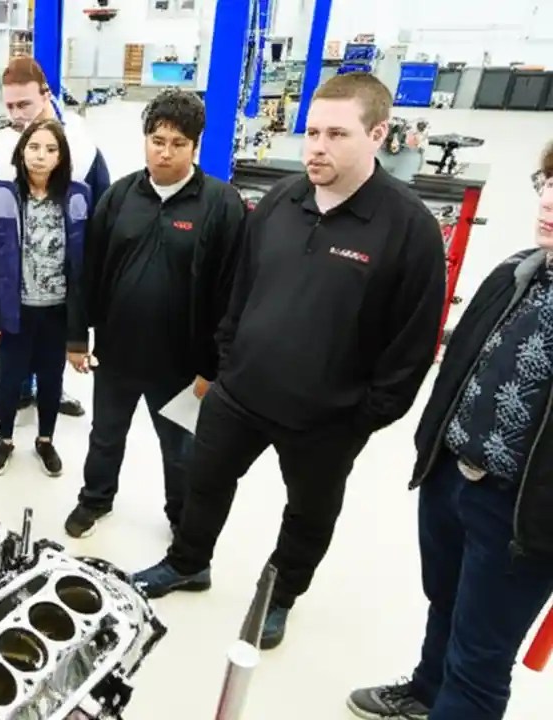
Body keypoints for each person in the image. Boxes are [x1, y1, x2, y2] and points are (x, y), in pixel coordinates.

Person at [132, 72, 447, 650]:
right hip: (241, 393)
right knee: (203, 482)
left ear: (377, 135)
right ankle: (187, 563)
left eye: (336, 134)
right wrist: (228, 361)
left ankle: (278, 597)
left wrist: (362, 417)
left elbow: (412, 344)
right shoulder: (282, 199)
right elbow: (241, 288)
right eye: (311, 132)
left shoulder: (410, 230)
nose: (316, 148)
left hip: (328, 418)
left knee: (308, 515)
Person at [346, 142, 553, 720]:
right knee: (446, 604)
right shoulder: (517, 270)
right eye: (549, 179)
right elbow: (461, 362)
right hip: (451, 478)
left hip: (521, 516)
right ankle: (424, 691)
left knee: (481, 658)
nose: (549, 199)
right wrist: (431, 452)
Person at [64, 89, 246, 539]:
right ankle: (95, 500)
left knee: (181, 450)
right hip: (117, 354)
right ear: (145, 138)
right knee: (105, 437)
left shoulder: (222, 206)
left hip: (183, 366)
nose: (165, 152)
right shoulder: (120, 196)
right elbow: (88, 269)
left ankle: (181, 518)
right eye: (157, 139)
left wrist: (212, 367)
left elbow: (232, 292)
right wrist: (76, 338)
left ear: (195, 146)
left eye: (178, 143)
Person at [0, 56, 110, 419]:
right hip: (17, 277)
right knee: (18, 341)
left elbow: (102, 212)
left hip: (63, 274)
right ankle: (19, 389)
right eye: (10, 106)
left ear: (46, 93)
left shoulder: (81, 142)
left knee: (52, 338)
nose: (17, 114)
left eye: (25, 104)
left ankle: (52, 386)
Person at [0, 119, 90, 477]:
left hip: (56, 312)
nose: (41, 156)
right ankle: (5, 438)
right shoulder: (3, 194)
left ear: (62, 156)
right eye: (34, 147)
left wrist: (80, 331)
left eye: (51, 149)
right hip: (15, 312)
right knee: (8, 379)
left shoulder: (77, 196)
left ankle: (45, 439)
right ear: (21, 152)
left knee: (52, 380)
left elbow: (86, 265)